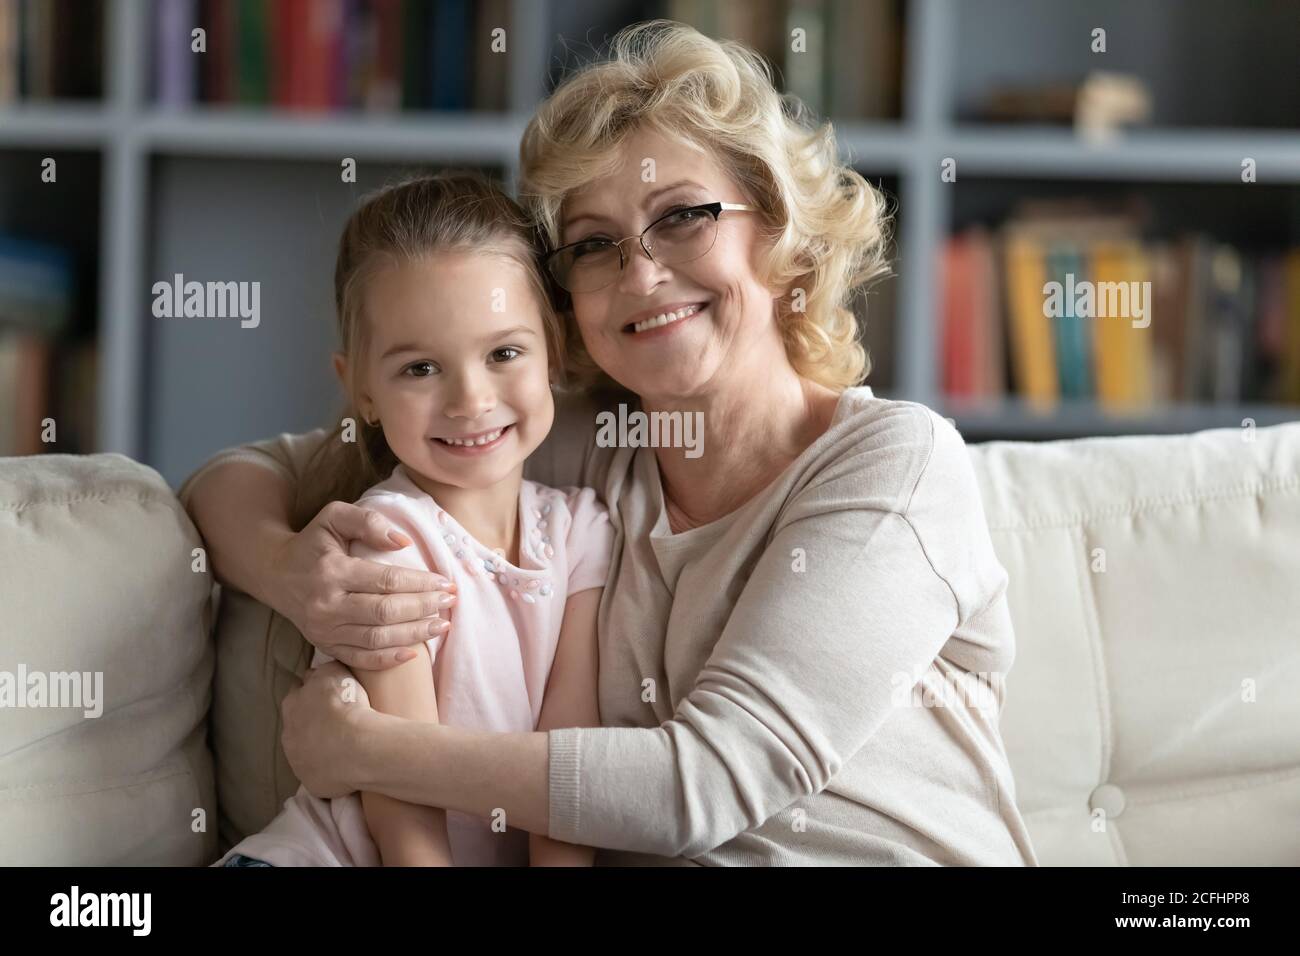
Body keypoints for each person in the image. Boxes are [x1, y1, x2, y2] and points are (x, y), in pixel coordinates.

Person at [182, 21, 1038, 866]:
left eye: (682, 217)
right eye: (595, 244)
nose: (640, 273)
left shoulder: (894, 463)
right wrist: (294, 574)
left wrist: (368, 748)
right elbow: (242, 477)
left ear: (777, 233)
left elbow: (701, 785)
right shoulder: (584, 454)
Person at [212, 172, 612, 867]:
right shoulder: (386, 538)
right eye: (421, 368)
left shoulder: (583, 530)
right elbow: (404, 806)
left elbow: (567, 748)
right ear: (361, 389)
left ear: (553, 349)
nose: (469, 399)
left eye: (503, 353)